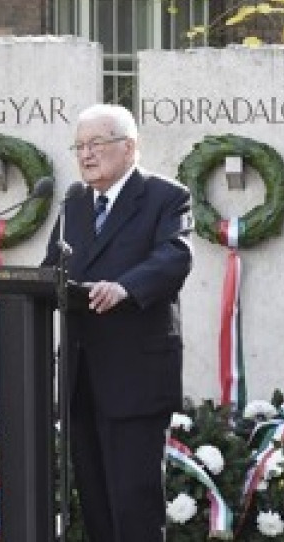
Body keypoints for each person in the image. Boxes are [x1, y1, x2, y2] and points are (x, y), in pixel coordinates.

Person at [43, 103, 194, 541]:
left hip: (135, 376)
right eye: (79, 146)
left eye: (96, 144)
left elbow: (175, 256)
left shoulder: (166, 197)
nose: (86, 155)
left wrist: (125, 287)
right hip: (81, 376)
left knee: (134, 502)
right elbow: (52, 266)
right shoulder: (74, 202)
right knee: (94, 503)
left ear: (129, 148)